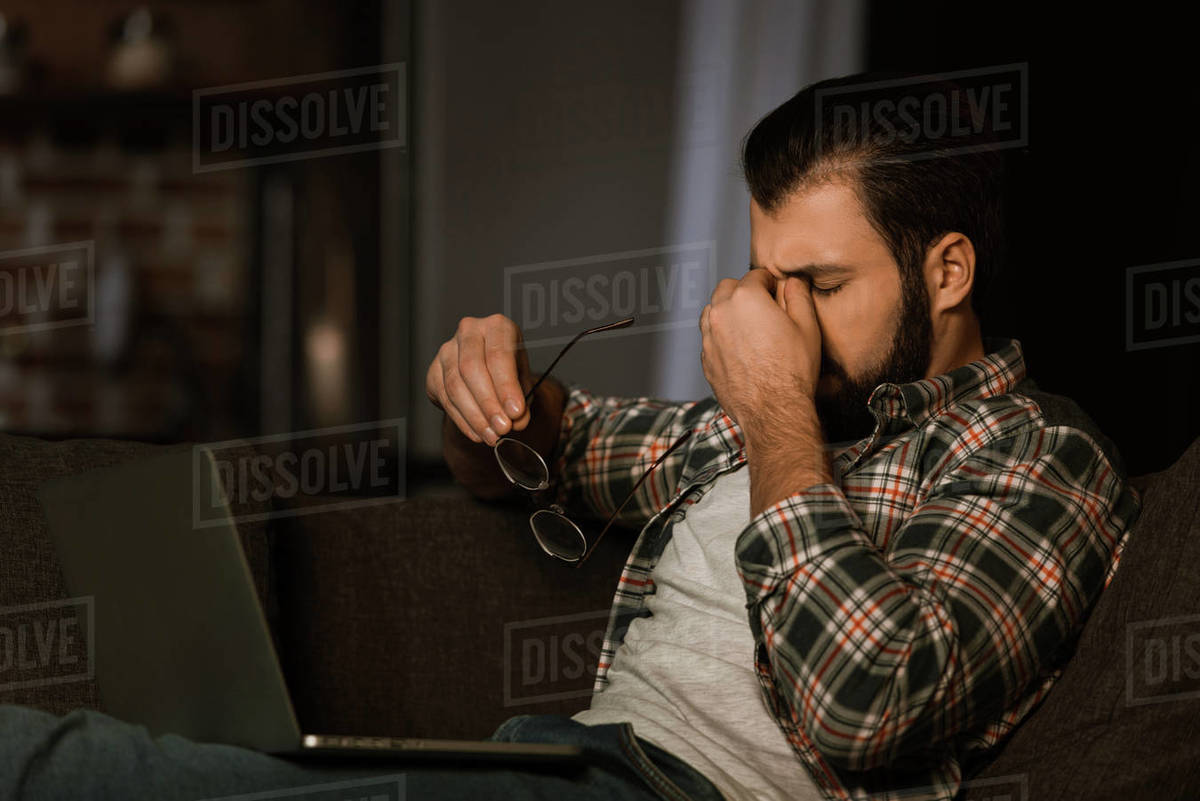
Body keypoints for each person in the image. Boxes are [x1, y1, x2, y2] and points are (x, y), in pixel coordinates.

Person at [0, 71, 1140, 801]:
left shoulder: (1039, 458)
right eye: (764, 274)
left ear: (947, 270)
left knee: (68, 767)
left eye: (821, 282)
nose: (778, 314)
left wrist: (774, 413)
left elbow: (872, 705)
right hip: (552, 762)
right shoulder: (787, 413)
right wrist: (488, 401)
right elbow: (540, 457)